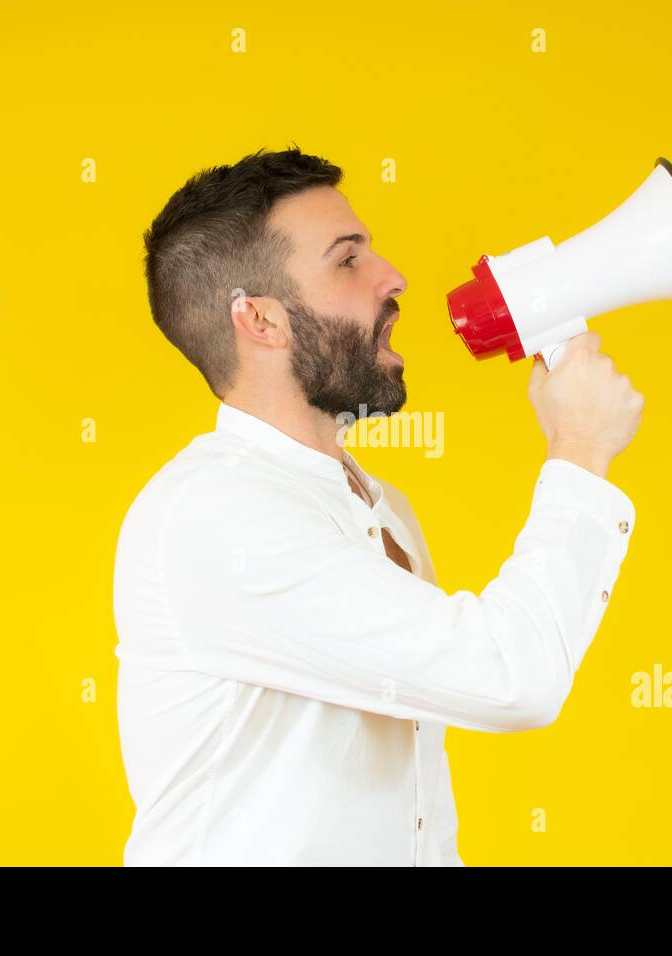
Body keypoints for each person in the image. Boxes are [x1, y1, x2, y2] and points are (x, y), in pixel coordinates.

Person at [113, 145, 644, 866]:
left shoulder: (379, 504)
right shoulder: (218, 513)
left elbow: (415, 819)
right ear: (260, 321)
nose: (392, 277)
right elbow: (511, 679)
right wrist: (580, 451)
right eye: (347, 259)